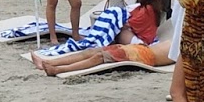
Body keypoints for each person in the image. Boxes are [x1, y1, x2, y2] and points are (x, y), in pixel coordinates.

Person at [30, 0, 162, 62]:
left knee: (93, 50)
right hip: (137, 40)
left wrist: (120, 22)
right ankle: (50, 64)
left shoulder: (146, 10)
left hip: (140, 43)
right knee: (94, 50)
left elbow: (130, 23)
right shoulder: (147, 8)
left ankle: (50, 63)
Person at [33, 38, 173, 76]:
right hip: (141, 49)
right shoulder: (181, 35)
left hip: (145, 56)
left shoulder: (186, 46)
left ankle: (59, 70)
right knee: (91, 51)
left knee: (99, 57)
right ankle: (48, 62)